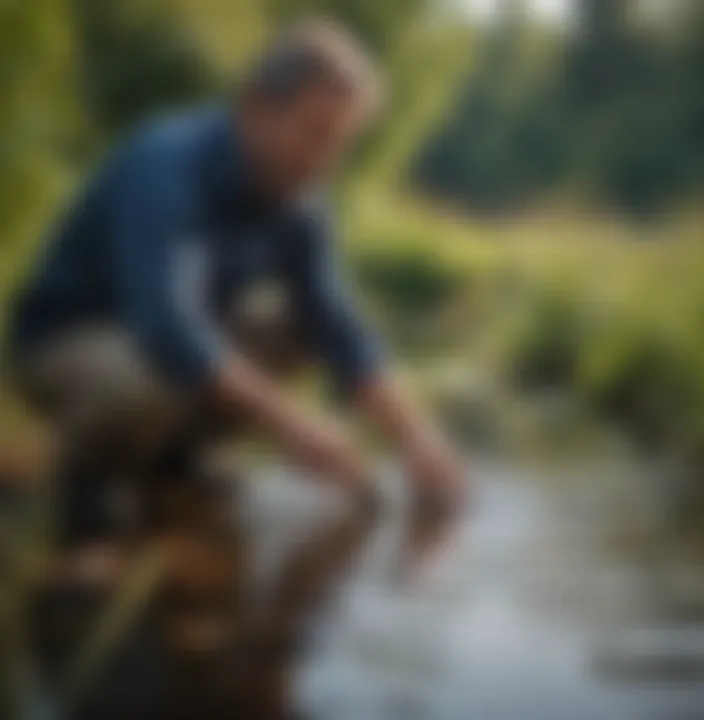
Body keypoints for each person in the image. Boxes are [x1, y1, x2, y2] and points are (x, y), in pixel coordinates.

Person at [8, 20, 466, 547]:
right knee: (149, 379)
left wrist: (420, 442)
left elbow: (338, 326)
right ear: (255, 109)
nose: (321, 162)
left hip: (161, 343)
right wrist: (297, 427)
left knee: (300, 334)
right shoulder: (166, 163)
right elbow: (169, 327)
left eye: (339, 145)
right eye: (313, 134)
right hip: (65, 341)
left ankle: (175, 460)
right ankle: (85, 489)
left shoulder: (301, 200)